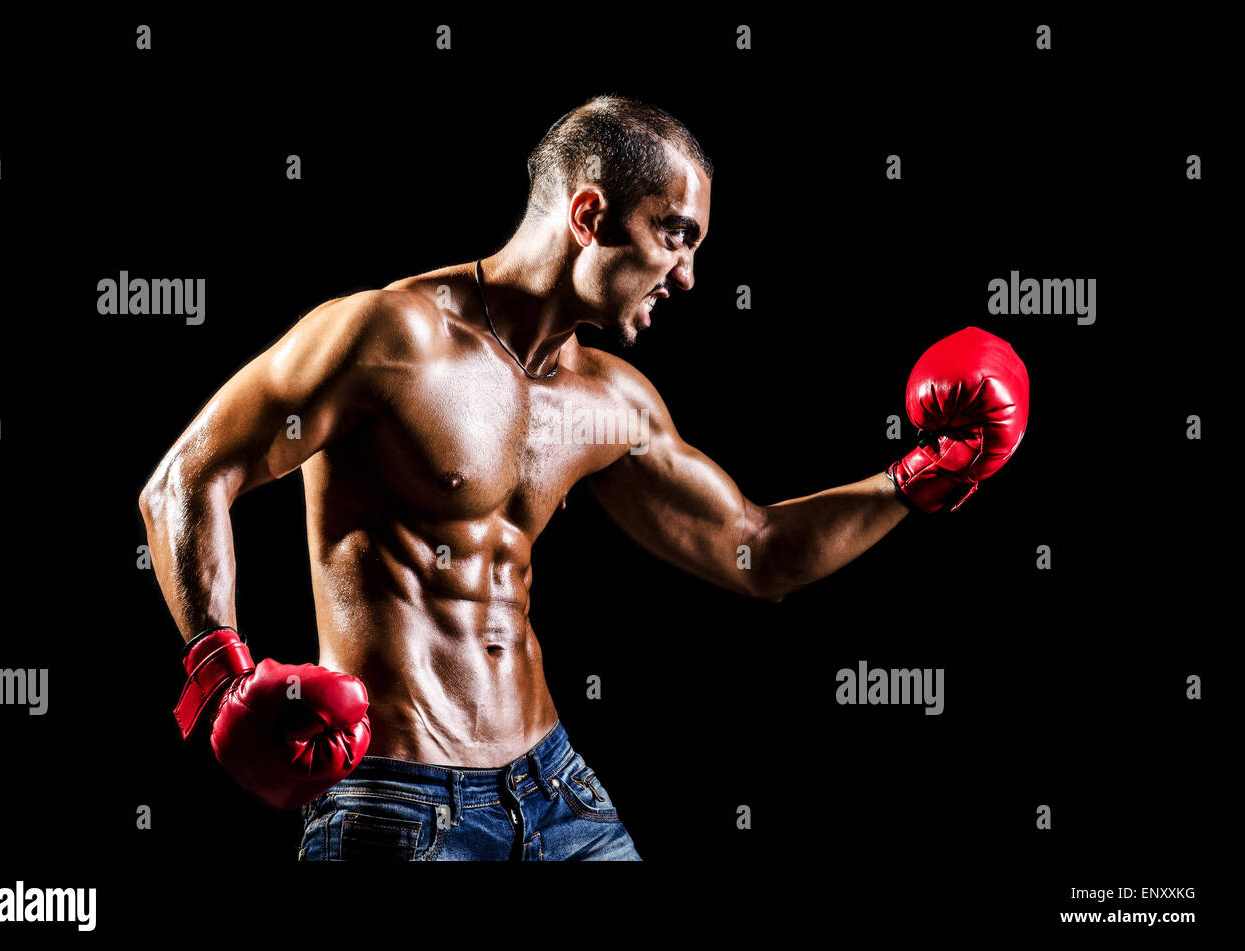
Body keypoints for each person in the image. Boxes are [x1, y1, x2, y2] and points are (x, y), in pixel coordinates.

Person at [139, 95, 1029, 861]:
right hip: (399, 801)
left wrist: (916, 478)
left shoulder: (615, 400)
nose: (689, 275)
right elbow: (185, 479)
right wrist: (220, 677)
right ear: (591, 213)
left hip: (556, 788)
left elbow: (759, 554)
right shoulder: (389, 338)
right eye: (674, 235)